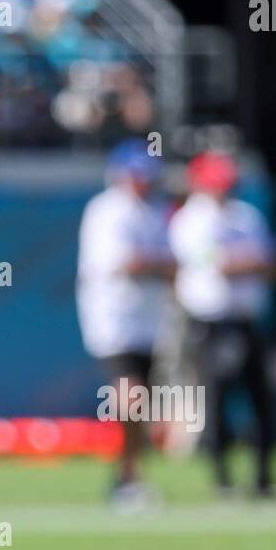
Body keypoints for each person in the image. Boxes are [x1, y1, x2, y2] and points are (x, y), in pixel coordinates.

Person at [169, 151, 276, 497]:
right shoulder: (190, 220)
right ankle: (222, 478)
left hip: (246, 318)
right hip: (210, 321)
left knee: (260, 398)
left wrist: (246, 263)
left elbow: (270, 263)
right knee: (215, 400)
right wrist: (247, 263)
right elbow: (217, 264)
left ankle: (263, 477)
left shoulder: (246, 216)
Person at [76, 138, 174, 507]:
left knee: (141, 402)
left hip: (148, 321)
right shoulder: (107, 210)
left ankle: (128, 475)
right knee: (130, 397)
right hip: (115, 320)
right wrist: (161, 266)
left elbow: (166, 261)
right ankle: (126, 475)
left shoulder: (154, 210)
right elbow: (128, 262)